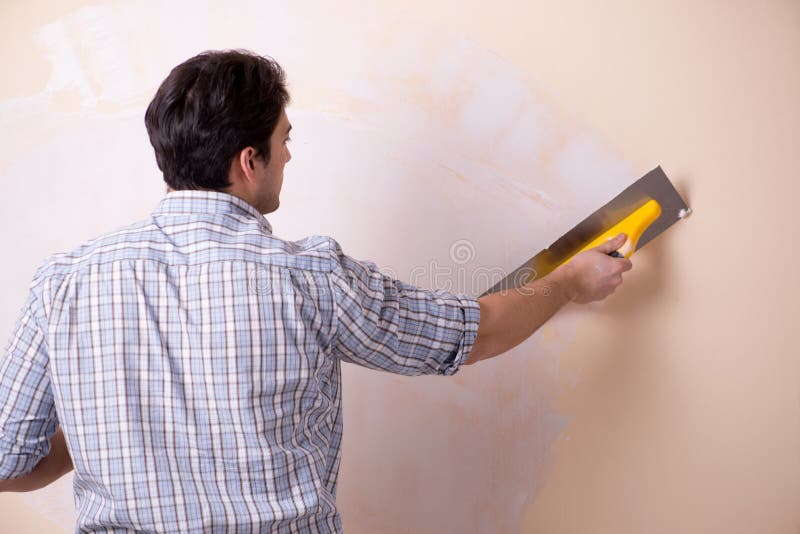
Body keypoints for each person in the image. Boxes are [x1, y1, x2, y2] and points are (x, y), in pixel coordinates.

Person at [0, 49, 632, 532]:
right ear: (250, 162)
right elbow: (476, 332)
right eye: (284, 141)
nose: (289, 157)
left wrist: (115, 427)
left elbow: (9, 462)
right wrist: (570, 281)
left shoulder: (65, 283)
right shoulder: (309, 278)